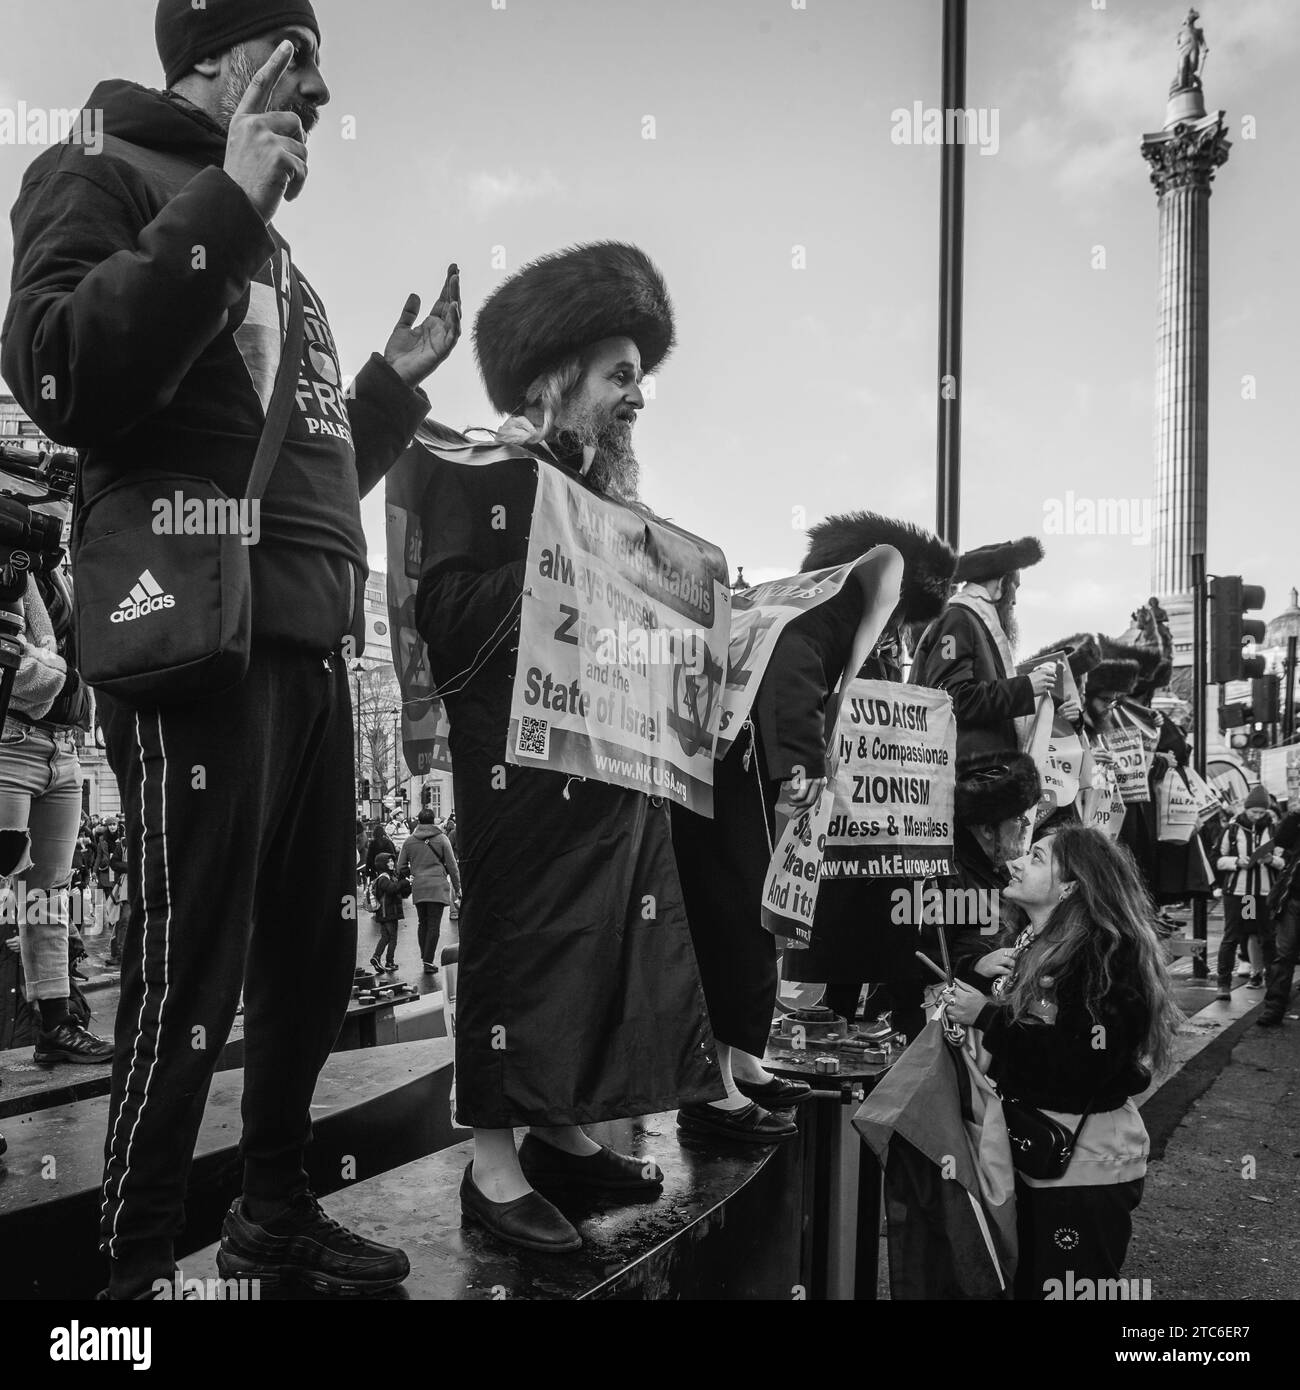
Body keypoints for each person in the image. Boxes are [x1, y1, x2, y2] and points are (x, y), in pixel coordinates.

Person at [2, 0, 462, 1298]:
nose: (318, 98)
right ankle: (133, 1267)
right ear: (218, 52)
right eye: (299, 63)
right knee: (187, 959)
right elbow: (59, 370)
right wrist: (226, 205)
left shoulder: (276, 248)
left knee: (310, 961)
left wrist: (385, 390)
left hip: (307, 641)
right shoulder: (103, 170)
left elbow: (298, 479)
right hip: (194, 645)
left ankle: (270, 1209)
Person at [416, 241, 720, 1254]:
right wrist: (566, 576)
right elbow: (445, 610)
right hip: (512, 770)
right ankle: (492, 1164)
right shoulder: (484, 469)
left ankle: (559, 1129)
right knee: (521, 939)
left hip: (599, 771)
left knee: (595, 944)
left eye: (641, 378)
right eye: (620, 376)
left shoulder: (601, 497)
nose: (637, 397)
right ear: (556, 380)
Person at [943, 825, 1180, 1300]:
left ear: (1070, 886)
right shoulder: (1037, 941)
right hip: (1037, 1153)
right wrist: (975, 973)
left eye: (1034, 857)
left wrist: (987, 1017)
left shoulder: (1103, 956)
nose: (1014, 862)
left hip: (1083, 1167)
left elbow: (1080, 1062)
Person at [777, 511, 958, 1040]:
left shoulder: (864, 641)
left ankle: (871, 1015)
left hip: (881, 824)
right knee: (844, 922)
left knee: (875, 924)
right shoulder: (824, 637)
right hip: (838, 816)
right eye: (898, 617)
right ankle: (835, 1009)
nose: (898, 633)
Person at [0, 551, 113, 1066]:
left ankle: (55, 1025)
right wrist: (57, 670)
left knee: (46, 898)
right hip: (9, 742)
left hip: (62, 748)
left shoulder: (58, 571)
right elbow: (17, 663)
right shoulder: (10, 561)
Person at [911, 535, 1057, 760]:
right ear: (1000, 583)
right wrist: (1024, 688)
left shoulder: (967, 620)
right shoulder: (958, 618)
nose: (1015, 600)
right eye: (1015, 587)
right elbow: (952, 699)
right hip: (965, 776)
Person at [928, 749, 1043, 987]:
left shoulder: (1000, 865)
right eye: (1018, 817)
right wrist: (973, 967)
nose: (1026, 824)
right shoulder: (946, 878)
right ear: (988, 830)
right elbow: (917, 961)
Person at [1215, 786, 1281, 999]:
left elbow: (1284, 860)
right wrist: (1236, 862)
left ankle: (1271, 982)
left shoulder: (1274, 830)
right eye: (1254, 812)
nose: (1257, 816)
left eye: (1261, 812)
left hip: (1262, 894)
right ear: (1246, 809)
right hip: (1241, 895)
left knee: (1266, 936)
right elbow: (1217, 858)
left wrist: (1271, 860)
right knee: (1234, 935)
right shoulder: (1233, 829)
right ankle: (1223, 984)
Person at [396, 808, 460, 973]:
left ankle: (425, 956)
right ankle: (428, 960)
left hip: (419, 886)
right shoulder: (442, 839)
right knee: (433, 925)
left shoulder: (410, 841)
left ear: (418, 821)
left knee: (422, 923)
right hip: (437, 886)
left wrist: (412, 875)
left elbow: (400, 866)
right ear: (433, 821)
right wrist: (458, 888)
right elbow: (453, 867)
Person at [1259, 806, 1299, 1027]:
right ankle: (1273, 1007)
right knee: (1251, 932)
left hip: (1262, 895)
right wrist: (1295, 814)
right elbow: (1282, 840)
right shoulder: (1235, 830)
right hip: (1247, 896)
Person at [368, 852, 403, 975]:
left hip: (383, 913)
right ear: (382, 864)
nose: (392, 863)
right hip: (388, 913)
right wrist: (403, 883)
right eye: (388, 861)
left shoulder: (384, 877)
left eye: (392, 860)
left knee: (385, 937)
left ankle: (376, 957)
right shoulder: (384, 878)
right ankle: (389, 962)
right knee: (392, 937)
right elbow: (392, 889)